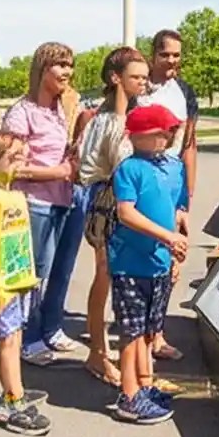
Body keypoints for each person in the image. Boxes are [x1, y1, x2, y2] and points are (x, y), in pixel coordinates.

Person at [1, 42, 84, 366]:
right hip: (34, 203)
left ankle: (52, 328)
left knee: (61, 271)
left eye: (70, 65)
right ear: (42, 69)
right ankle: (29, 337)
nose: (67, 72)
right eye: (60, 65)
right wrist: (57, 171)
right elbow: (12, 167)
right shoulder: (22, 113)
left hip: (65, 199)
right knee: (33, 275)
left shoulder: (61, 110)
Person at [107, 104, 189, 424]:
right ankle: (128, 396)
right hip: (130, 264)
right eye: (158, 133)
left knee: (150, 330)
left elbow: (176, 204)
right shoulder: (129, 169)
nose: (166, 138)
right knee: (131, 332)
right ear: (137, 136)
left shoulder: (173, 167)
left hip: (159, 263)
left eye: (168, 133)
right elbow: (126, 213)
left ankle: (144, 384)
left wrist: (178, 237)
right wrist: (167, 237)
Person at [0, 130, 52, 436]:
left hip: (21, 283)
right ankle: (14, 400)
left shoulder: (16, 196)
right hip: (2, 287)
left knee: (16, 339)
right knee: (7, 341)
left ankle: (13, 389)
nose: (21, 160)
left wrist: (30, 276)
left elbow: (22, 242)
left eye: (22, 154)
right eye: (13, 156)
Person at [76, 46, 149, 386]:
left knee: (127, 277)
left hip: (129, 200)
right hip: (107, 200)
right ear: (115, 78)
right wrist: (122, 110)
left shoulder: (135, 114)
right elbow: (120, 162)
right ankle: (98, 353)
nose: (143, 84)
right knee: (106, 274)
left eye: (145, 78)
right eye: (136, 77)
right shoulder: (105, 121)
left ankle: (131, 354)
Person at [135, 29, 200, 362]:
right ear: (154, 55)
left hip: (172, 178)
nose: (172, 61)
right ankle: (136, 335)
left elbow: (189, 144)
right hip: (142, 179)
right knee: (143, 259)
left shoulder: (185, 93)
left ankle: (156, 333)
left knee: (172, 259)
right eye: (166, 55)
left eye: (177, 55)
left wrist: (186, 195)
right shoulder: (141, 90)